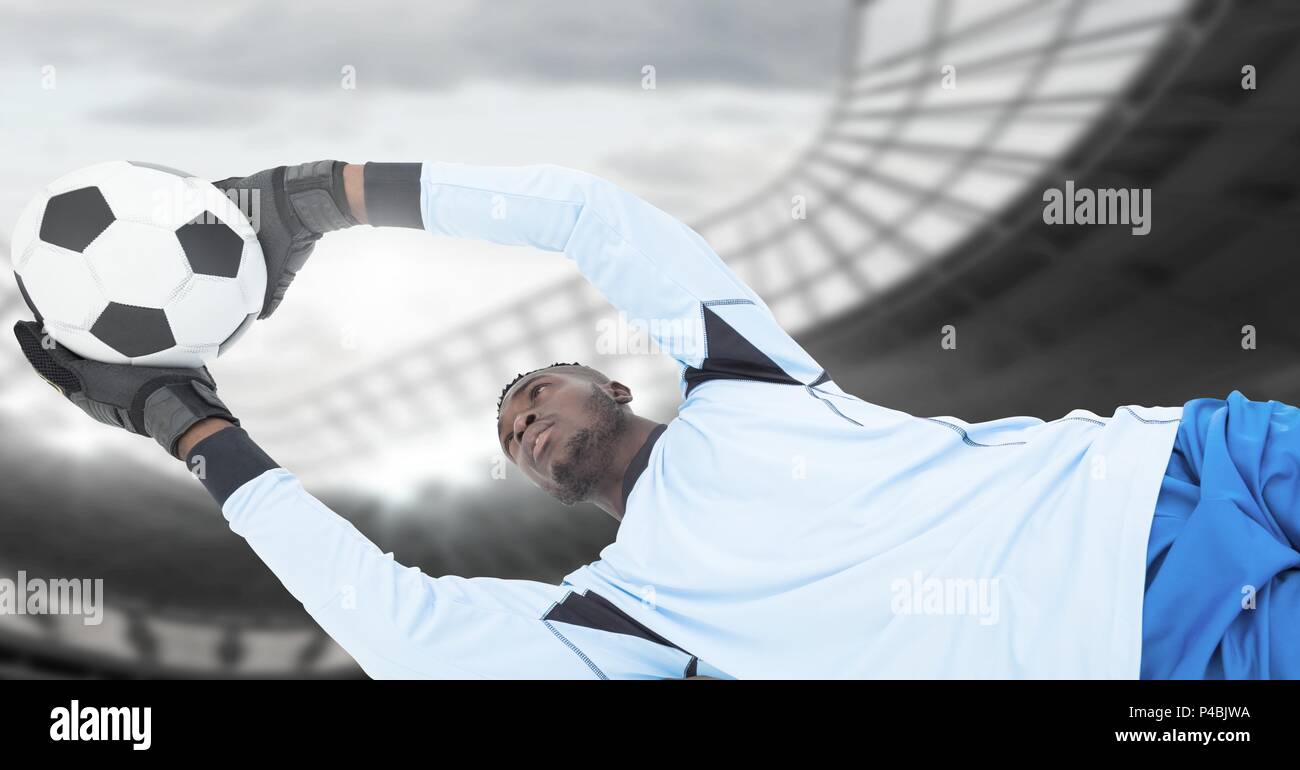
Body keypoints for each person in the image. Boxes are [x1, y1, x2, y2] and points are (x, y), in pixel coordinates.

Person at [13, 160, 1300, 679]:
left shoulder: (746, 385)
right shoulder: (629, 613)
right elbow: (401, 627)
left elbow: (600, 223)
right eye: (509, 432)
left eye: (533, 389)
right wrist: (197, 431)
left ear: (611, 384)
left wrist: (328, 194)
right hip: (1168, 660)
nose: (521, 420)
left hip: (1201, 460)